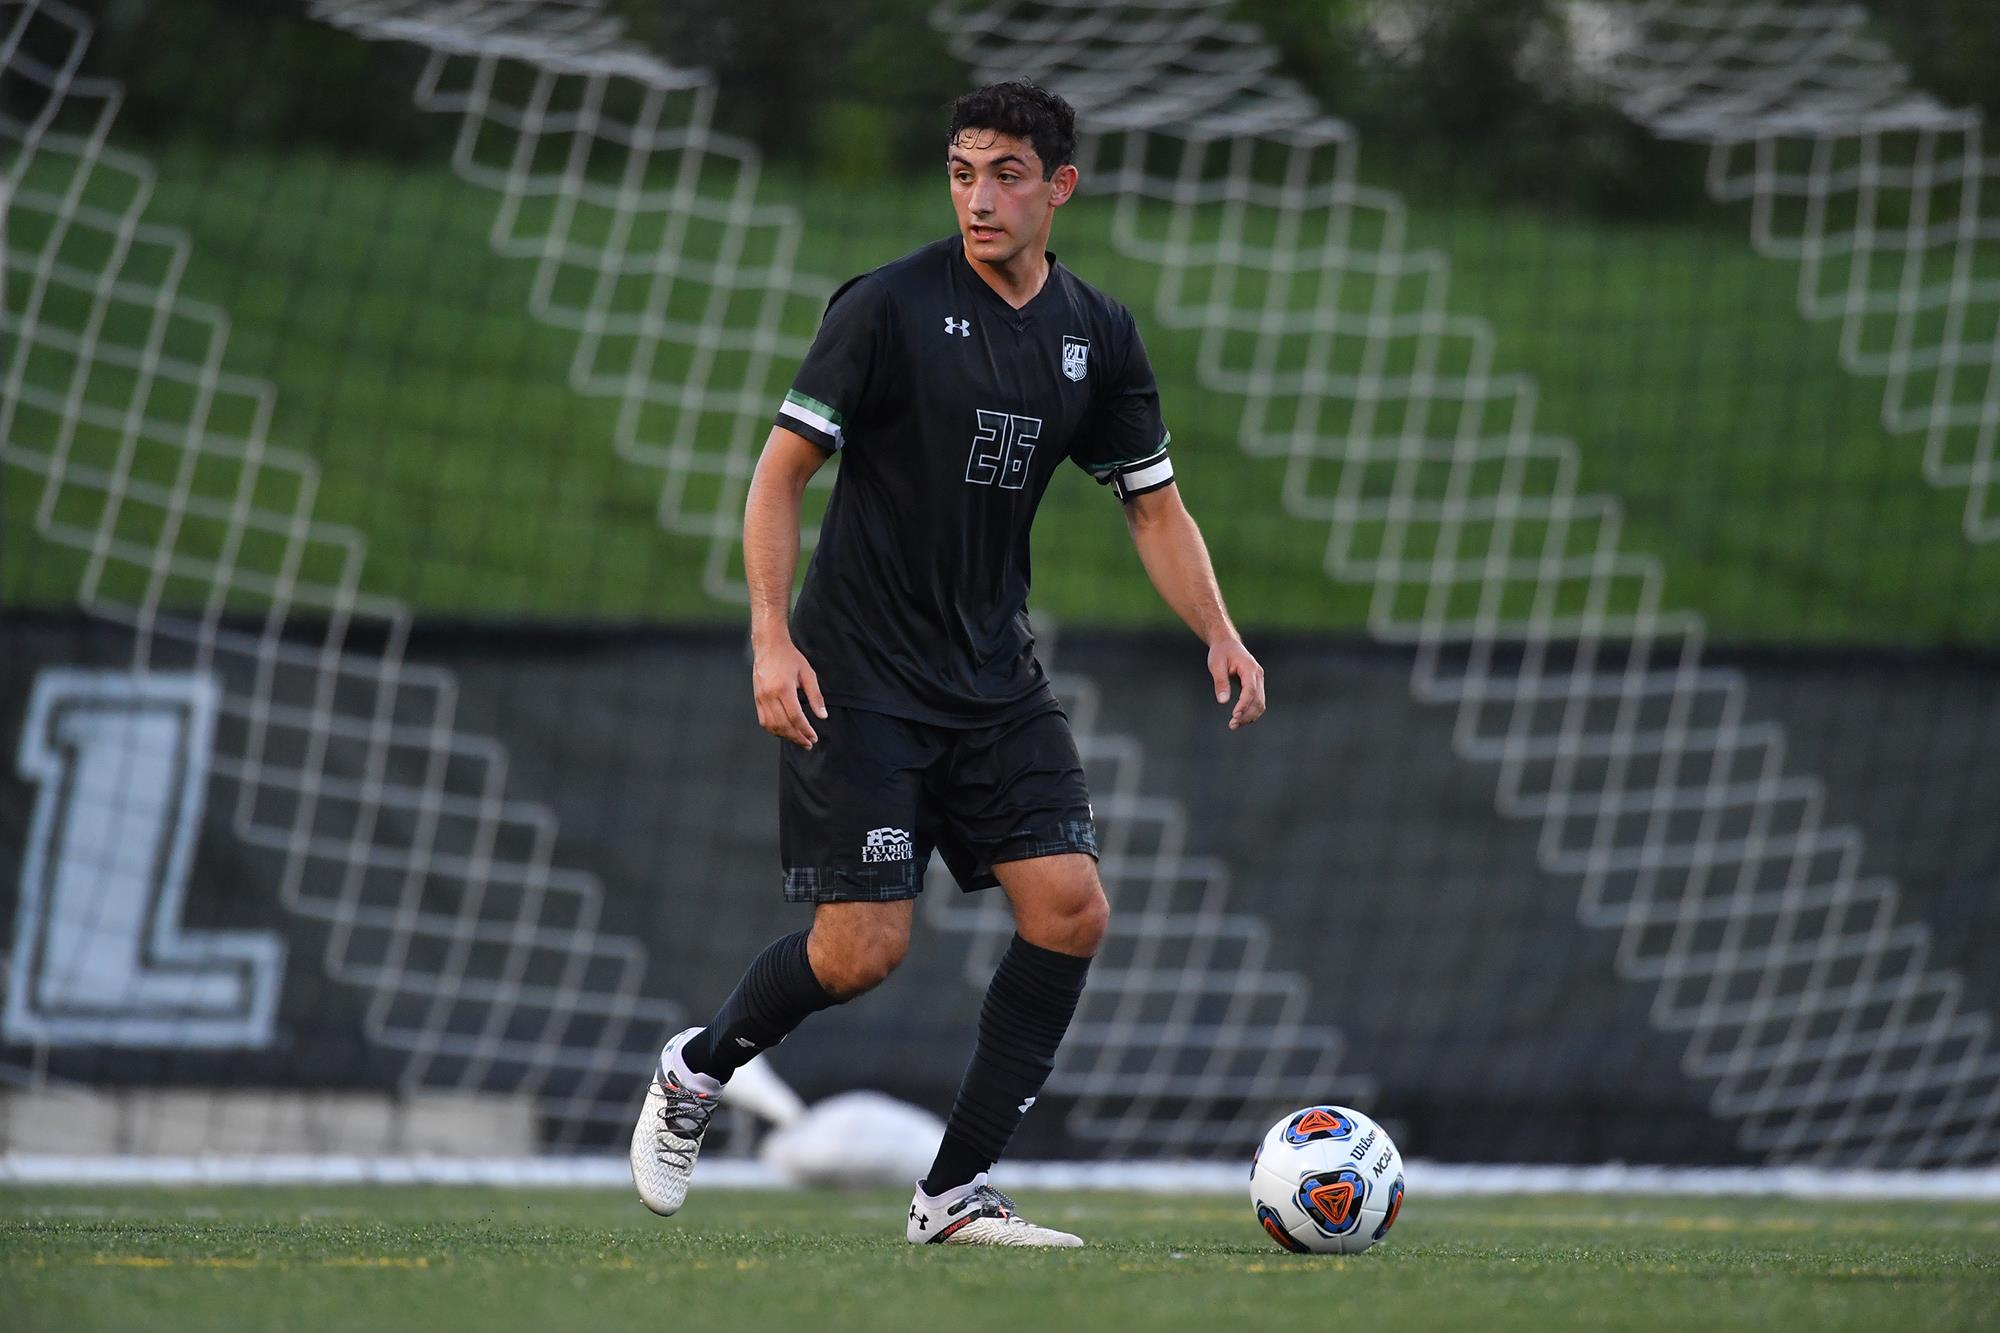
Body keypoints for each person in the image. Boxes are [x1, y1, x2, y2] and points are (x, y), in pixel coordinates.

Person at [629, 79, 1266, 1247]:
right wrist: (770, 638)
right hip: (857, 675)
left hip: (991, 677)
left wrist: (1217, 630)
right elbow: (778, 477)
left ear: (1058, 188)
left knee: (1070, 908)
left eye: (1007, 174)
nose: (980, 197)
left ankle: (951, 1194)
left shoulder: (1096, 334)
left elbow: (1152, 508)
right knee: (860, 952)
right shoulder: (886, 308)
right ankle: (696, 1070)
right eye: (963, 172)